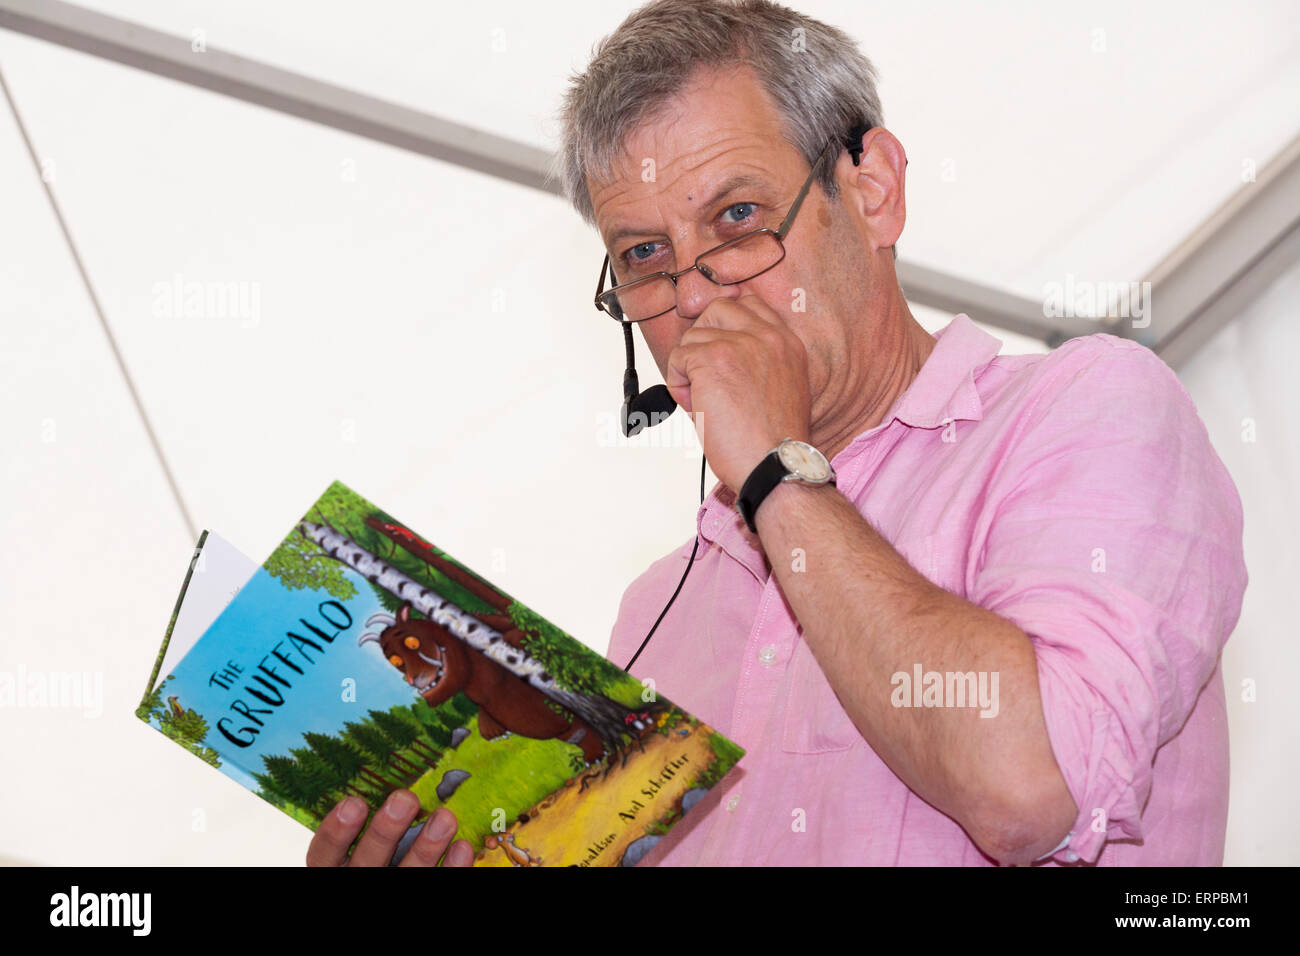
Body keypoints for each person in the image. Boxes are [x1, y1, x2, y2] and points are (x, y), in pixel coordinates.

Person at [307, 0, 1247, 867]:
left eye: (738, 217)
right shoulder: (655, 616)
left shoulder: (1090, 406)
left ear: (872, 189)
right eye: (643, 256)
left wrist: (774, 467)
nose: (694, 291)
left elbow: (1031, 785)